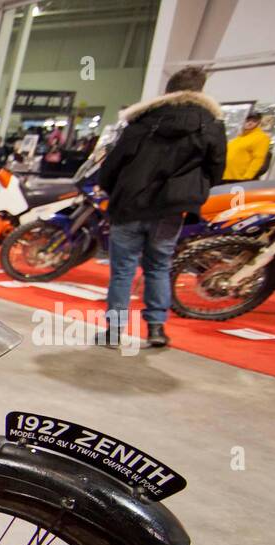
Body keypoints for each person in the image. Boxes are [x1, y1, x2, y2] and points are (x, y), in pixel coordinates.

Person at [97, 65, 227, 349]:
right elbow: (216, 169)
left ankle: (113, 331)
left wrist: (111, 188)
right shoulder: (211, 125)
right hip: (171, 208)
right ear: (200, 90)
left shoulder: (144, 120)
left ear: (169, 89)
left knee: (122, 270)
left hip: (130, 204)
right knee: (158, 267)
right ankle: (156, 329)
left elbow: (114, 163)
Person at [225, 111, 271, 181]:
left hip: (239, 179)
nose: (250, 123)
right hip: (226, 177)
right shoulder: (239, 138)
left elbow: (258, 159)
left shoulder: (261, 137)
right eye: (248, 120)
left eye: (254, 121)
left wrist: (247, 177)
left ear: (258, 123)